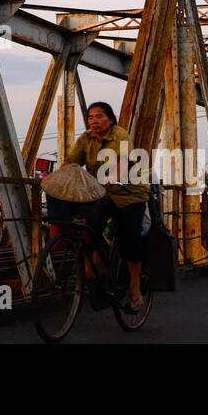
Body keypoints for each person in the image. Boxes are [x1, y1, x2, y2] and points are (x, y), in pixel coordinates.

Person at [64, 100, 148, 311]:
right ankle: (98, 273)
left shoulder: (120, 134)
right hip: (101, 193)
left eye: (99, 116)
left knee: (130, 239)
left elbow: (123, 160)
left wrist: (113, 176)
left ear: (110, 119)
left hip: (130, 193)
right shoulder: (86, 138)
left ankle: (135, 289)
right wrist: (59, 177)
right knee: (88, 230)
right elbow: (72, 162)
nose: (94, 120)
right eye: (91, 117)